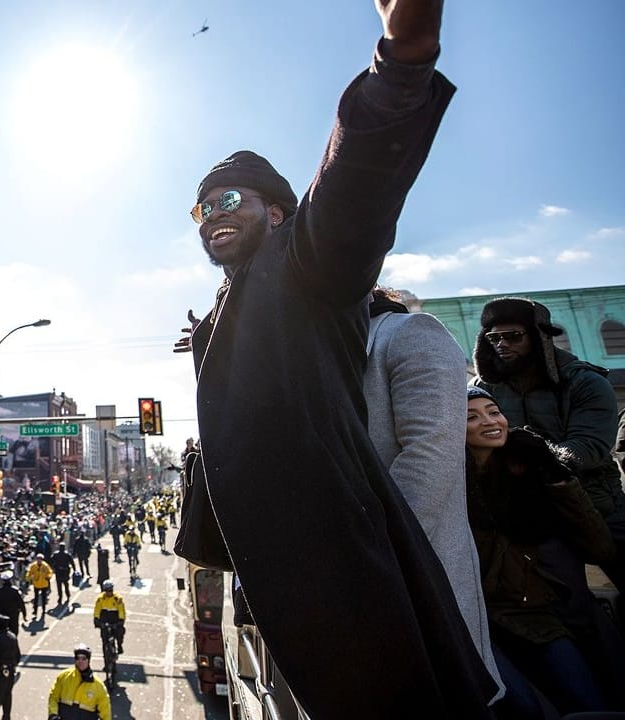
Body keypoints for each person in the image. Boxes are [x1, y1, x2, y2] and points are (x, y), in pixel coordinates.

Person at [172, 1, 499, 716]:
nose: (213, 215)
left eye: (229, 198)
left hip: (345, 578)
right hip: (278, 585)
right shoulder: (228, 310)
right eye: (200, 212)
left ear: (280, 212)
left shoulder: (306, 267)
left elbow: (353, 188)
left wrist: (400, 62)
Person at [363, 287, 503, 697]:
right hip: (357, 581)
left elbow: (430, 452)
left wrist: (377, 554)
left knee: (447, 691)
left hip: (409, 565)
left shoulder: (409, 333)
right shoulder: (317, 358)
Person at [464, 386, 615, 716]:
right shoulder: (455, 483)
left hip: (560, 610)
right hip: (504, 618)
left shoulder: (532, 469)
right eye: (471, 416)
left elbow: (599, 544)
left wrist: (555, 474)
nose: (490, 421)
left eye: (494, 411)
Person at [471, 297, 625, 592]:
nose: (502, 344)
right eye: (494, 338)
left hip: (597, 501)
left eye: (513, 336)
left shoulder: (585, 382)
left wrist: (541, 456)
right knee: (563, 603)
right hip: (527, 510)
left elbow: (591, 447)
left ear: (538, 336)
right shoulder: (482, 391)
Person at [46, 644, 109, 720]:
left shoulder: (98, 686)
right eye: (77, 658)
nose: (80, 661)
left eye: (84, 658)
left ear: (88, 660)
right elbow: (53, 697)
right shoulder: (63, 677)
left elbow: (105, 712)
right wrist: (53, 714)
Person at [92, 581, 125, 654]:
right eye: (107, 590)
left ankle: (119, 645)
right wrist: (96, 619)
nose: (108, 592)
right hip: (105, 616)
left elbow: (121, 610)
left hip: (115, 617)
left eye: (110, 590)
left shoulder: (118, 598)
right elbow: (97, 609)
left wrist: (121, 620)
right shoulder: (100, 598)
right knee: (104, 637)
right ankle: (105, 656)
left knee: (119, 632)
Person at [0, 573, 25, 637]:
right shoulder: (15, 590)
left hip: (2, 614)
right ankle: (13, 643)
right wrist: (24, 614)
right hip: (13, 614)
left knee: (2, 631)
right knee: (14, 630)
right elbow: (20, 602)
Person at [24, 555, 53, 620]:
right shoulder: (33, 566)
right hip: (36, 584)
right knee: (36, 598)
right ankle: (35, 611)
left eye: (40, 559)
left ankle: (43, 610)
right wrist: (28, 578)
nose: (39, 560)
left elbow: (50, 572)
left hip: (43, 584)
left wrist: (48, 577)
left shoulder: (45, 565)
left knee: (43, 598)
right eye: (38, 559)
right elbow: (29, 573)